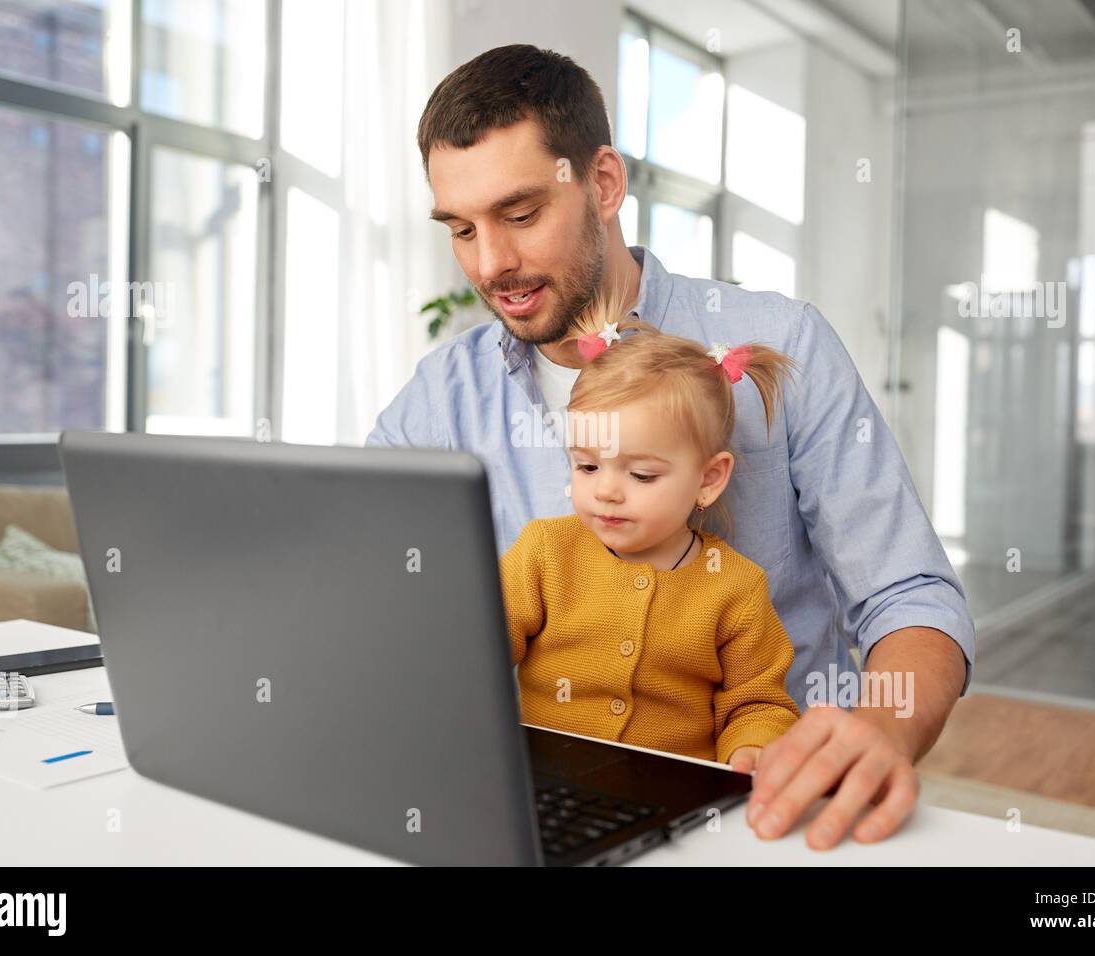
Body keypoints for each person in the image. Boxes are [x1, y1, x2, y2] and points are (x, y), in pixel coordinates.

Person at [366, 44, 975, 849]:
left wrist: (883, 731)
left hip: (762, 809)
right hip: (536, 806)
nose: (491, 265)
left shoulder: (779, 343)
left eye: (520, 216)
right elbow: (362, 593)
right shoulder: (440, 399)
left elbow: (911, 596)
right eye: (461, 230)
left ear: (604, 184)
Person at [499, 286, 801, 767]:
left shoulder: (736, 587)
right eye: (587, 467)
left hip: (677, 801)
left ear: (708, 479)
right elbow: (478, 643)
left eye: (641, 475)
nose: (607, 492)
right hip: (549, 783)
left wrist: (752, 748)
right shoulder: (544, 553)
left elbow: (756, 702)